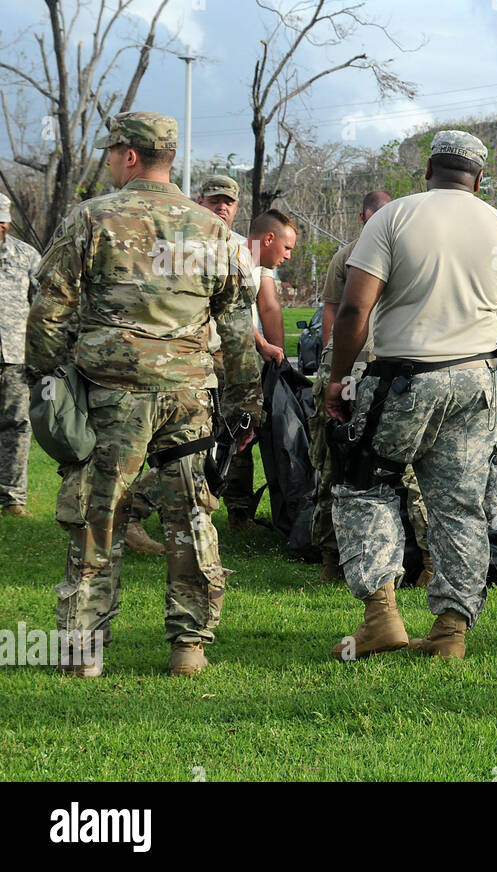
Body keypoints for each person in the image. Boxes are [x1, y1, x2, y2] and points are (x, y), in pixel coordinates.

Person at [27, 111, 260, 677]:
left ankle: (84, 653)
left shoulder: (92, 219)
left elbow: (49, 311)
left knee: (98, 516)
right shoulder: (216, 232)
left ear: (130, 155)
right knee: (191, 517)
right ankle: (189, 646)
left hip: (109, 396)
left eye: (112, 151)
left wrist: (48, 377)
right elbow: (235, 327)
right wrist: (244, 401)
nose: (108, 160)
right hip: (190, 397)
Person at [324, 130, 497, 661]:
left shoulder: (393, 217)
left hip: (402, 378)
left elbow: (355, 311)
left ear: (428, 172)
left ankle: (381, 618)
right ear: (479, 179)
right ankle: (450, 631)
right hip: (475, 381)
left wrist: (337, 378)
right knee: (460, 506)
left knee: (367, 487)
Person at [122, 173, 269, 554]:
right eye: (214, 199)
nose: (222, 206)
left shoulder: (240, 248)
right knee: (191, 445)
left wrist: (260, 346)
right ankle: (134, 513)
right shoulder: (171, 241)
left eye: (229, 202)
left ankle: (228, 513)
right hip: (180, 360)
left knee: (226, 440)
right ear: (199, 200)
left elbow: (241, 313)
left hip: (223, 356)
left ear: (237, 208)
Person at [309, 190, 432, 585]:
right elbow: (334, 309)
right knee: (338, 461)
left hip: (387, 366)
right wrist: (334, 359)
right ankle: (333, 557)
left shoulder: (393, 252)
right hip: (371, 365)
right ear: (364, 218)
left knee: (394, 467)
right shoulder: (348, 256)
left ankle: (425, 561)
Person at [223, 208, 295, 530]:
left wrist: (269, 353)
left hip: (240, 357)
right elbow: (227, 313)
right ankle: (139, 505)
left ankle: (236, 513)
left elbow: (261, 309)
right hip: (221, 360)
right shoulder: (234, 256)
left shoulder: (253, 262)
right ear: (268, 239)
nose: (289, 256)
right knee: (219, 438)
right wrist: (262, 344)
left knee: (237, 433)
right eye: (287, 247)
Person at [0, 192, 40, 519]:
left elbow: (43, 307)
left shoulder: (26, 256)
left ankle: (13, 498)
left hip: (14, 356)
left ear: (7, 223)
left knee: (16, 425)